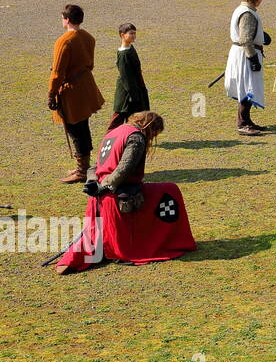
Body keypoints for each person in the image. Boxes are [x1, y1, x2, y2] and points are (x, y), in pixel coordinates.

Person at [54, 111, 196, 274]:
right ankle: (166, 241)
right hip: (117, 197)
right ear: (150, 127)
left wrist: (93, 183)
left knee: (165, 189)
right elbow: (124, 169)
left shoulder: (114, 133)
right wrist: (105, 186)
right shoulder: (136, 137)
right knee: (170, 191)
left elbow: (94, 168)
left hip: (99, 197)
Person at [48, 4, 105, 184]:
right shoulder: (88, 37)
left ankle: (82, 171)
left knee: (75, 129)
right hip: (85, 86)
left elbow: (57, 73)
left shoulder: (64, 41)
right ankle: (85, 166)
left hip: (72, 91)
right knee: (83, 126)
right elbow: (90, 64)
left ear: (66, 20)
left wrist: (51, 93)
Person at [224, 0, 272, 137]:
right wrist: (252, 58)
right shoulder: (247, 13)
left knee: (246, 87)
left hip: (242, 53)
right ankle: (243, 124)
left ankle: (247, 121)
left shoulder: (243, 10)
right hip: (245, 55)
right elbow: (245, 38)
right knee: (246, 88)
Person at [107, 23, 149, 131]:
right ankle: (109, 141)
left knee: (137, 117)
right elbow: (126, 78)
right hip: (127, 93)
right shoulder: (123, 54)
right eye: (131, 33)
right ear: (122, 35)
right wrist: (134, 96)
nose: (134, 36)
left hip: (136, 87)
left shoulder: (130, 48)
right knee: (118, 119)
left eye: (135, 33)